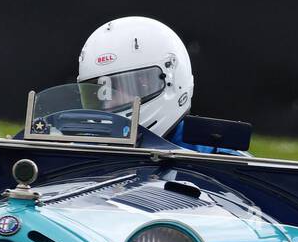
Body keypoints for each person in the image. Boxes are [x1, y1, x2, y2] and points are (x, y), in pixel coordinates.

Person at [77, 16, 245, 154]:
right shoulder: (77, 153)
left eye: (125, 86)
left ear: (171, 79)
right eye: (98, 92)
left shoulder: (218, 158)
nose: (109, 103)